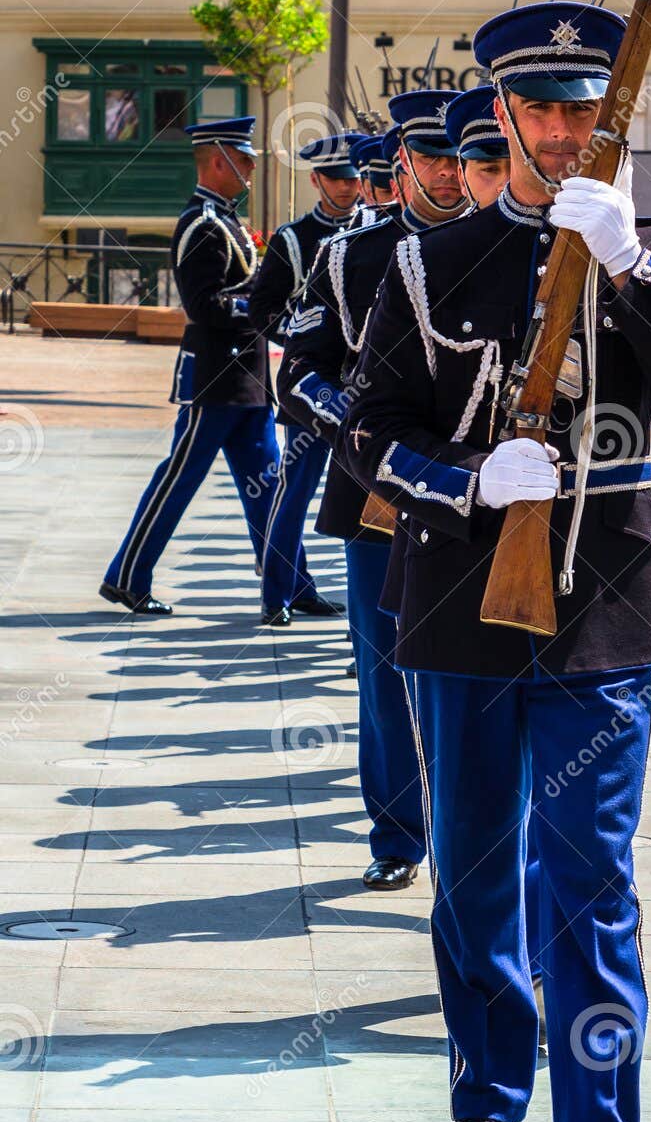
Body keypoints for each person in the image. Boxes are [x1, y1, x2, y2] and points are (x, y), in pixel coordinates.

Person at [342, 0, 651, 1122]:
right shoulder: (424, 260)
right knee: (470, 866)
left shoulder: (647, 248)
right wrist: (462, 480)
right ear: (503, 115)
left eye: (584, 107)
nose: (567, 131)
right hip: (462, 595)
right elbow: (365, 432)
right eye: (545, 109)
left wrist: (625, 265)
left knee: (592, 873)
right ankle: (487, 1091)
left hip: (607, 597)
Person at [275, 93, 468, 890]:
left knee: (470, 674)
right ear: (403, 165)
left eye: (465, 159)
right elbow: (299, 373)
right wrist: (354, 427)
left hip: (475, 492)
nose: (450, 175)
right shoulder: (351, 257)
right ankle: (397, 833)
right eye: (433, 159)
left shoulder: (507, 248)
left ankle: (473, 840)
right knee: (382, 666)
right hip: (376, 494)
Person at [100, 117, 295, 615]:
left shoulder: (225, 220)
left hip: (248, 380)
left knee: (269, 487)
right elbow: (204, 306)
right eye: (244, 158)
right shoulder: (201, 224)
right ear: (217, 161)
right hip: (213, 378)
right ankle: (127, 577)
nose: (252, 167)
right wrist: (263, 296)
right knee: (178, 481)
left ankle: (292, 584)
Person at [250, 133, 366, 626]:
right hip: (310, 386)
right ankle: (279, 593)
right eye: (337, 179)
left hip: (361, 389)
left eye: (354, 177)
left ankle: (353, 604)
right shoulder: (292, 239)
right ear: (316, 180)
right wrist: (300, 329)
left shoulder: (374, 230)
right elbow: (262, 310)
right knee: (293, 492)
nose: (348, 187)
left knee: (363, 500)